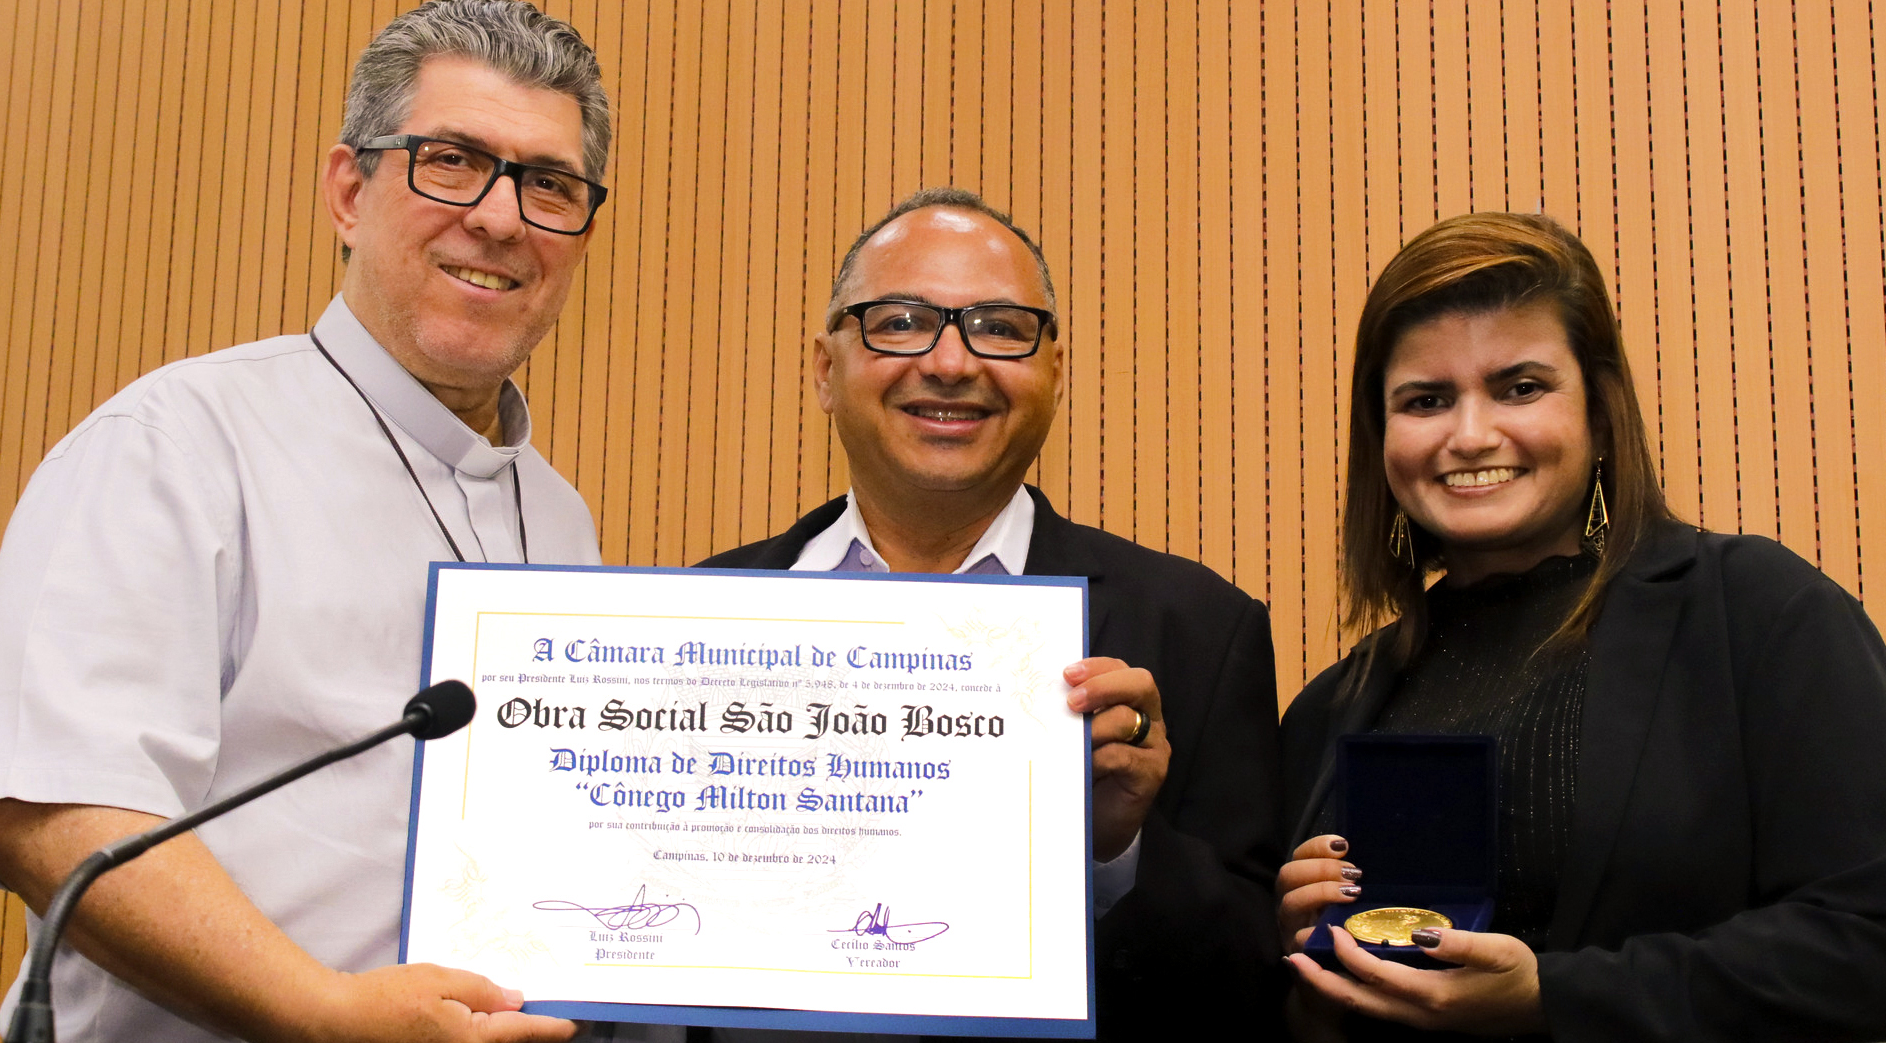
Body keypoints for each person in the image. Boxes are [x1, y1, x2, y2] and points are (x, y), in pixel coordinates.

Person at [0, 0, 615, 1043]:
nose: (501, 217)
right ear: (347, 190)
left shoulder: (559, 516)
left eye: (549, 184)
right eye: (451, 159)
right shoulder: (177, 441)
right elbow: (46, 808)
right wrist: (317, 1009)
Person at [1277, 211, 1886, 1041]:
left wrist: (1553, 999)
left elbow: (1864, 942)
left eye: (1520, 387)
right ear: (1383, 440)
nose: (1470, 434)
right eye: (1426, 400)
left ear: (1600, 413)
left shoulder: (1760, 614)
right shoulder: (1327, 709)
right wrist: (1306, 961)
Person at [698, 188, 1283, 1037]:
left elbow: (1250, 991)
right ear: (826, 370)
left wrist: (1117, 850)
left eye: (1000, 327)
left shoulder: (1200, 630)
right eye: (899, 321)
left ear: (1053, 371)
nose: (949, 362)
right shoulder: (702, 619)